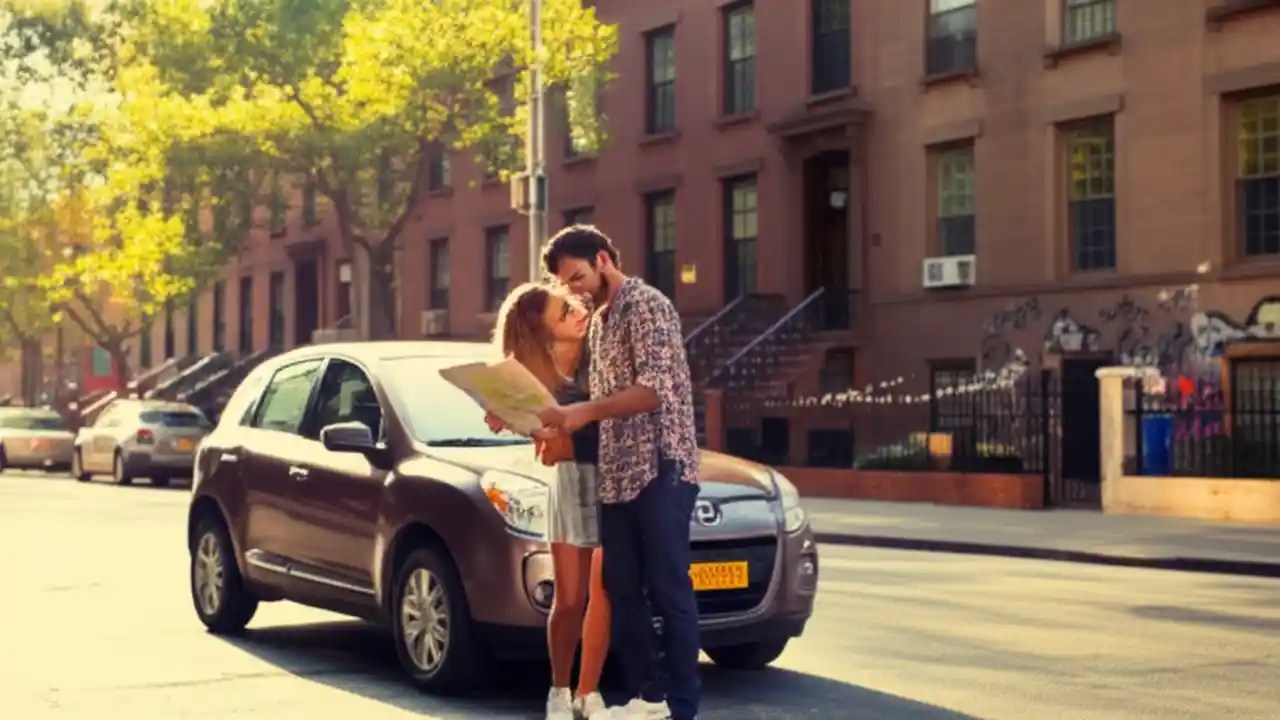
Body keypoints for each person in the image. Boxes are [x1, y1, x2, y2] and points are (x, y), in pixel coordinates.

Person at [537, 225, 701, 720]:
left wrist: (584, 412)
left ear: (604, 259)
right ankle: (646, 700)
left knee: (670, 590)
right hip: (616, 475)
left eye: (578, 276)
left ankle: (681, 707)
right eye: (566, 284)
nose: (574, 289)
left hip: (661, 466)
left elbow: (652, 391)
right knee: (622, 594)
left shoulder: (648, 305)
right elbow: (567, 389)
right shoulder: (601, 322)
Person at [487, 282, 612, 720]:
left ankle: (588, 692)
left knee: (603, 592)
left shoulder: (604, 353)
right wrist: (512, 419)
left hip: (613, 479)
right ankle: (558, 690)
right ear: (544, 335)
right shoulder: (538, 378)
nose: (578, 312)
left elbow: (617, 424)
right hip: (571, 484)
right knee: (572, 598)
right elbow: (537, 428)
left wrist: (569, 442)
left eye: (572, 304)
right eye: (564, 314)